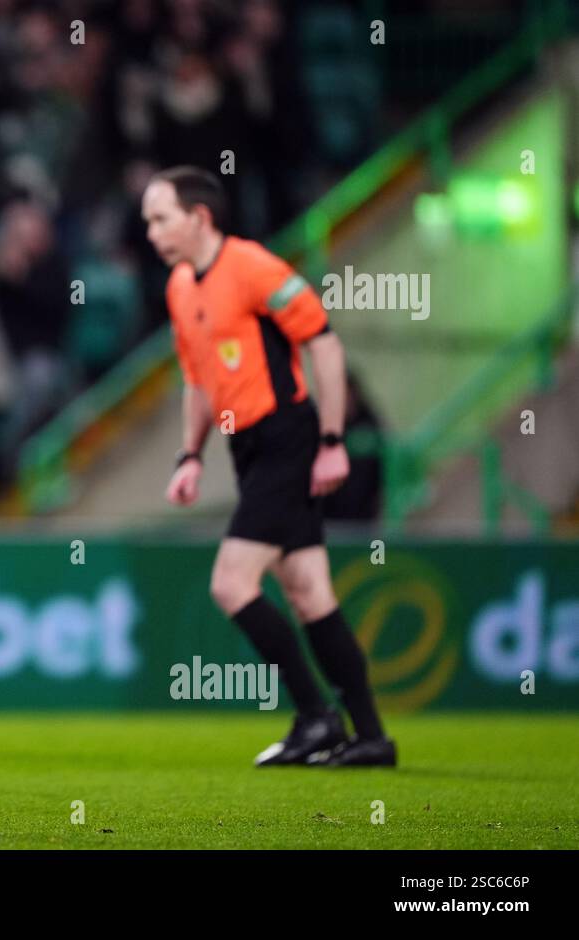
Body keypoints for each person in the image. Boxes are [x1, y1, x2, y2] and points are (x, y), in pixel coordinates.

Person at [143, 166, 395, 767]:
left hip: (288, 437)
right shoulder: (181, 287)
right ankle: (371, 737)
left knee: (231, 584)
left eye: (160, 218)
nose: (150, 232)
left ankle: (315, 717)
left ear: (199, 217)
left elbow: (324, 342)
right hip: (247, 448)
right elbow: (198, 379)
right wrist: (189, 455)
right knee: (310, 593)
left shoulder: (254, 267)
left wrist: (333, 439)